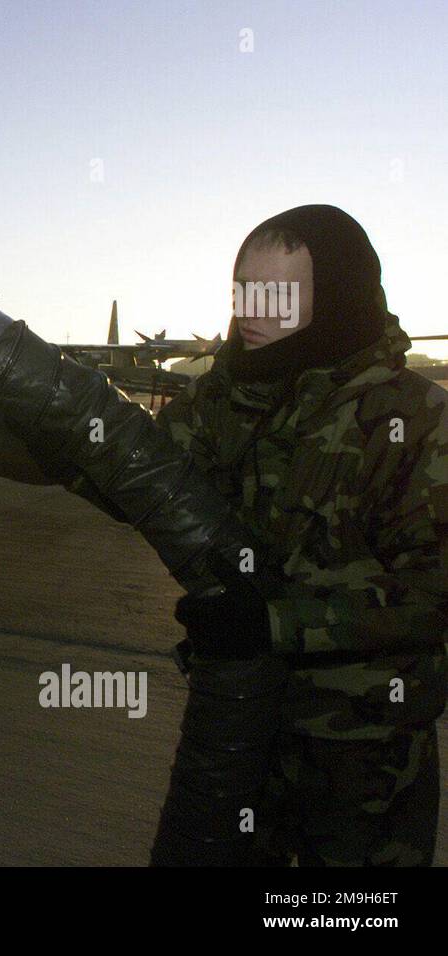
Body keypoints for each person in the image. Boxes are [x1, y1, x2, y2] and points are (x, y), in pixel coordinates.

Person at [160, 204, 448, 865]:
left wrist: (272, 626)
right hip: (247, 732)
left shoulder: (416, 421)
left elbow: (427, 602)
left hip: (364, 756)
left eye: (277, 296)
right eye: (243, 294)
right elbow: (138, 470)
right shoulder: (225, 400)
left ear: (338, 301)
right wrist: (32, 405)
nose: (251, 315)